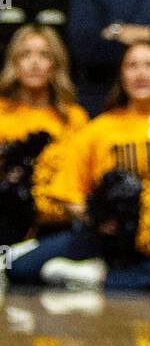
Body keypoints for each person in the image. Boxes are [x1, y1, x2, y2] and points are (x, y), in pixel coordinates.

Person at [7, 41, 150, 290]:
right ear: (121, 75)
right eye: (132, 66)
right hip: (112, 236)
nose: (140, 74)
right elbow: (68, 193)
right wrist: (99, 219)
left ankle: (100, 277)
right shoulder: (99, 127)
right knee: (21, 268)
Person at [0, 25, 88, 241]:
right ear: (14, 62)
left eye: (44, 55)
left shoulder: (74, 117)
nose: (34, 63)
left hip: (57, 224)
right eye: (25, 54)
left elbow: (81, 179)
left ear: (55, 64)